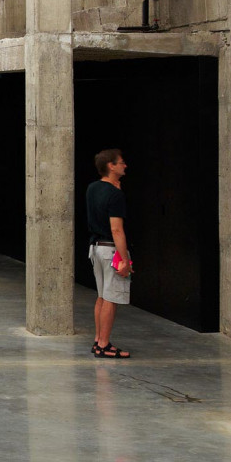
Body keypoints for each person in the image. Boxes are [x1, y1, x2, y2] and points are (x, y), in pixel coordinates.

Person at [87, 148, 133, 358]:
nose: (125, 166)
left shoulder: (92, 188)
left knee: (102, 297)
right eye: (121, 162)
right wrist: (124, 259)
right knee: (111, 298)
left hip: (95, 248)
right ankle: (104, 345)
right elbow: (116, 229)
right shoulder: (115, 195)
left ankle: (98, 340)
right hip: (110, 250)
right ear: (111, 166)